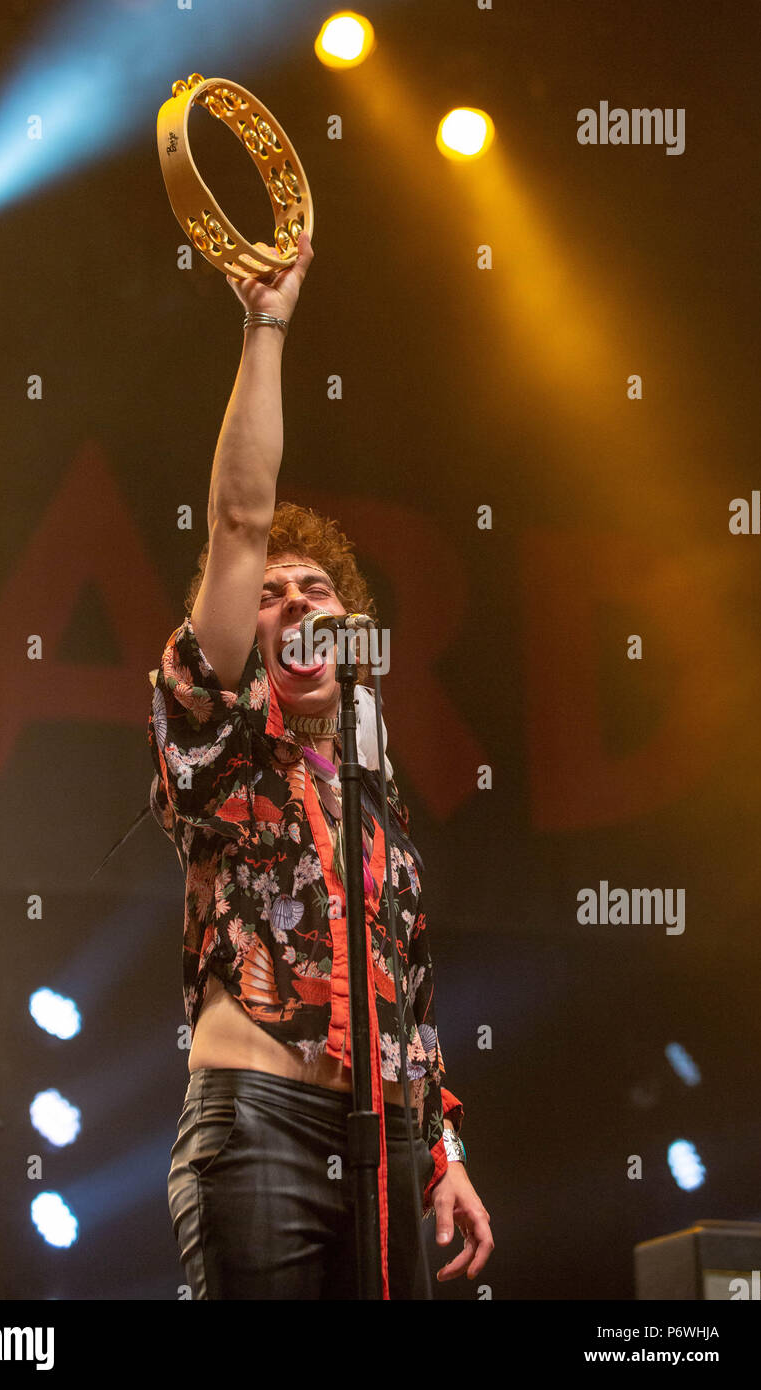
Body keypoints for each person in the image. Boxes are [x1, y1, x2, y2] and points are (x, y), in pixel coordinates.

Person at [148, 230, 493, 1298]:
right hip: (257, 1119)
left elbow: (410, 993)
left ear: (352, 631)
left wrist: (443, 1151)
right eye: (271, 590)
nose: (294, 600)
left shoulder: (376, 803)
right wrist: (266, 323)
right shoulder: (218, 744)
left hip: (383, 1138)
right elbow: (240, 517)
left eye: (317, 591)